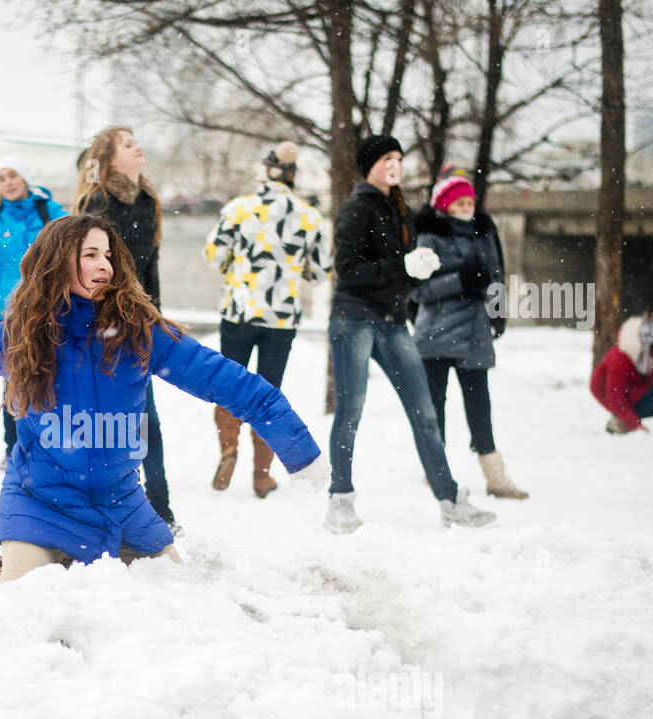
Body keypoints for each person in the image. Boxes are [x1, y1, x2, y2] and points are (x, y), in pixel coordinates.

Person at [0, 215, 325, 583]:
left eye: (107, 255)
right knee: (26, 606)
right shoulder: (21, 335)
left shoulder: (140, 332)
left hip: (123, 510)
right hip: (40, 508)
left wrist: (300, 451)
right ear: (57, 263)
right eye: (89, 254)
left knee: (181, 599)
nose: (104, 265)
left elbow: (233, 384)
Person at [325, 134, 496, 532]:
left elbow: (404, 267)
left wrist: (419, 271)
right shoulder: (356, 208)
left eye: (399, 158)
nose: (395, 164)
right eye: (387, 158)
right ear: (371, 164)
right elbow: (348, 270)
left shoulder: (399, 208)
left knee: (425, 412)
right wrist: (403, 267)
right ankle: (340, 500)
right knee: (350, 411)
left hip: (392, 321)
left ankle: (449, 499)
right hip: (354, 319)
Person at [203, 141, 327, 498]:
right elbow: (319, 273)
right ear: (292, 176)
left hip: (239, 310)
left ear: (265, 171)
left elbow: (213, 255)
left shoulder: (238, 208)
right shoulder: (308, 215)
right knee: (269, 393)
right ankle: (261, 474)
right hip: (281, 317)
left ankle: (228, 449)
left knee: (229, 386)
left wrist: (235, 265)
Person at [74, 127, 177, 531]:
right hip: (100, 325)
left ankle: (161, 506)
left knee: (144, 418)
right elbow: (85, 269)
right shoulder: (96, 203)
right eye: (128, 143)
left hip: (138, 322)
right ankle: (99, 505)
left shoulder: (149, 201)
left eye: (138, 139)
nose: (138, 145)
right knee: (100, 418)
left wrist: (155, 317)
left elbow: (150, 266)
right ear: (111, 158)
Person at [413, 168, 528, 499]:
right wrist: (460, 281)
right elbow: (419, 291)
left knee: (480, 407)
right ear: (446, 204)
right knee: (434, 408)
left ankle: (496, 477)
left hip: (476, 335)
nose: (466, 207)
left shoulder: (484, 232)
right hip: (435, 335)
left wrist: (498, 311)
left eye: (470, 202)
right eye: (459, 202)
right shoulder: (429, 236)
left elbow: (495, 276)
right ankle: (434, 472)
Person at [0, 157, 68, 462]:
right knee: (14, 385)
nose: (8, 182)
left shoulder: (47, 211)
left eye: (13, 175)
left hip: (47, 309)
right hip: (4, 313)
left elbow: (79, 231)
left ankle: (51, 447)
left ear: (25, 178)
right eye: (1, 178)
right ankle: (14, 450)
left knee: (51, 379)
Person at [590, 307, 653, 434]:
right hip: (605, 389)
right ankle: (622, 421)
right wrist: (636, 425)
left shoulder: (647, 357)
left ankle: (623, 419)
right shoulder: (621, 357)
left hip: (630, 387)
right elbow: (615, 395)